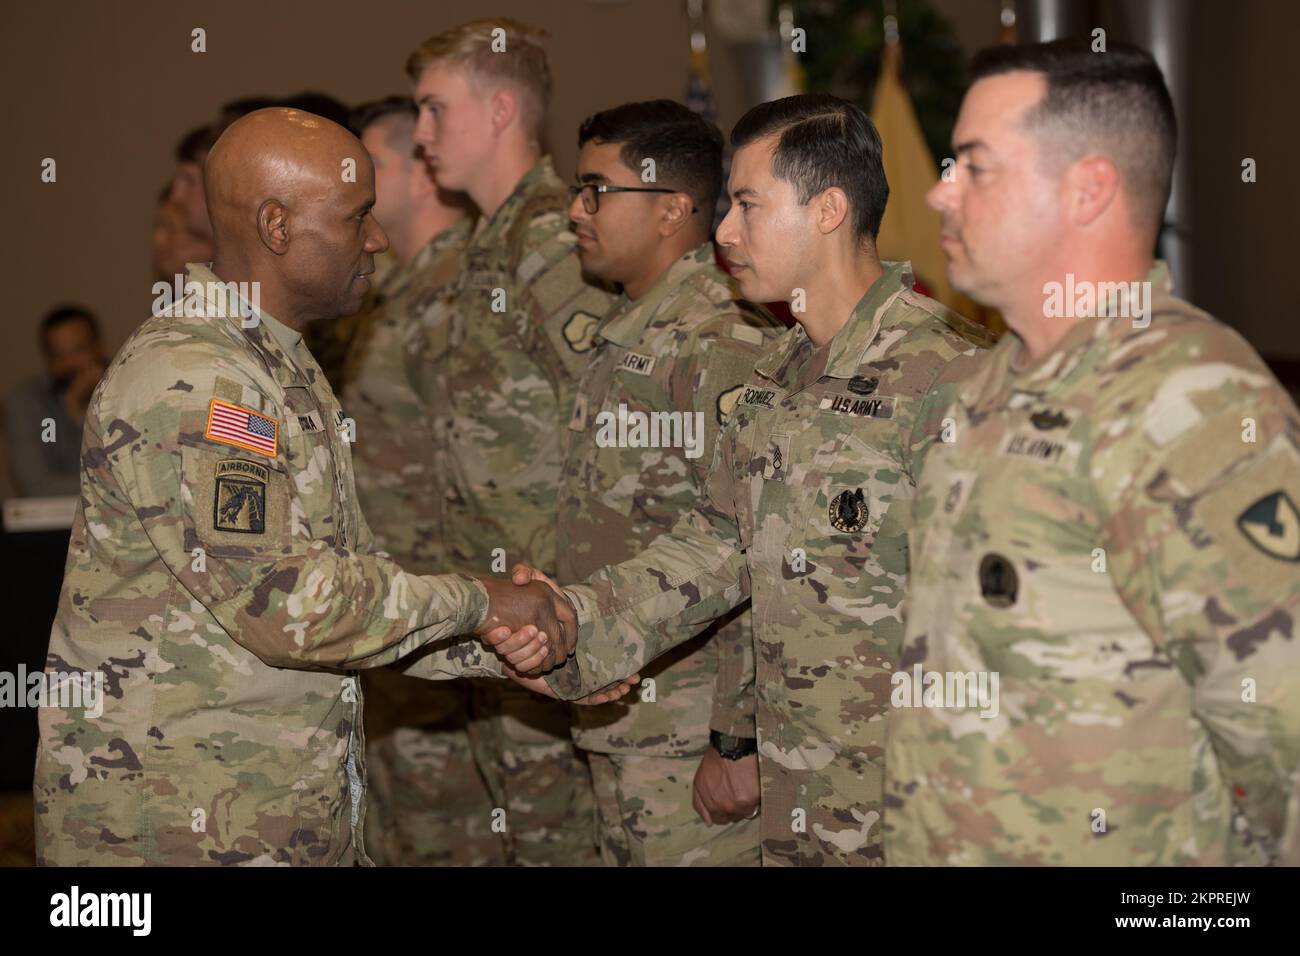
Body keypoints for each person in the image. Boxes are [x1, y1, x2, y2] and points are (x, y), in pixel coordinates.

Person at [33, 107, 613, 866]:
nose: (376, 239)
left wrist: (501, 650)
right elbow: (291, 606)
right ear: (276, 226)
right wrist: (481, 601)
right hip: (172, 825)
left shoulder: (281, 365)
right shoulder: (197, 379)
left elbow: (355, 589)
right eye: (356, 216)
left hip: (260, 815)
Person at [497, 94, 994, 866]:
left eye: (748, 205)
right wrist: (576, 621)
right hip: (801, 812)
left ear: (827, 210)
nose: (723, 231)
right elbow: (718, 546)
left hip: (917, 812)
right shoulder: (777, 374)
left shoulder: (950, 375)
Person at [881, 39, 1300, 866]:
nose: (937, 192)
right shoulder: (995, 381)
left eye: (974, 165)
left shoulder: (1189, 404)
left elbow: (1282, 745)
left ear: (1089, 189)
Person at [404, 17, 618, 865]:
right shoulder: (486, 244)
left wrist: (593, 610)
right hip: (499, 621)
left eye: (433, 109)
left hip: (551, 615)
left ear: (499, 111)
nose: (421, 135)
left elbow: (615, 424)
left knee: (559, 841)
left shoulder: (550, 240)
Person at [559, 100, 782, 866]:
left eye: (597, 190)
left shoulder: (719, 337)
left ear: (673, 209)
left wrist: (738, 736)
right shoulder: (632, 327)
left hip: (690, 740)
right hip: (626, 723)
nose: (575, 210)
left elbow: (757, 540)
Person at [333, 96, 499, 867]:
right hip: (390, 613)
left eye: (371, 164)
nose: (354, 183)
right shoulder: (388, 289)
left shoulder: (463, 288)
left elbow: (489, 466)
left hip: (445, 616)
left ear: (422, 169)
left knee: (449, 836)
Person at [3, 306, 105, 496]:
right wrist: (75, 413)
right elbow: (37, 487)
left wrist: (79, 417)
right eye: (58, 355)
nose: (70, 363)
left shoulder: (125, 393)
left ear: (99, 348)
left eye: (79, 350)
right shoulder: (26, 403)